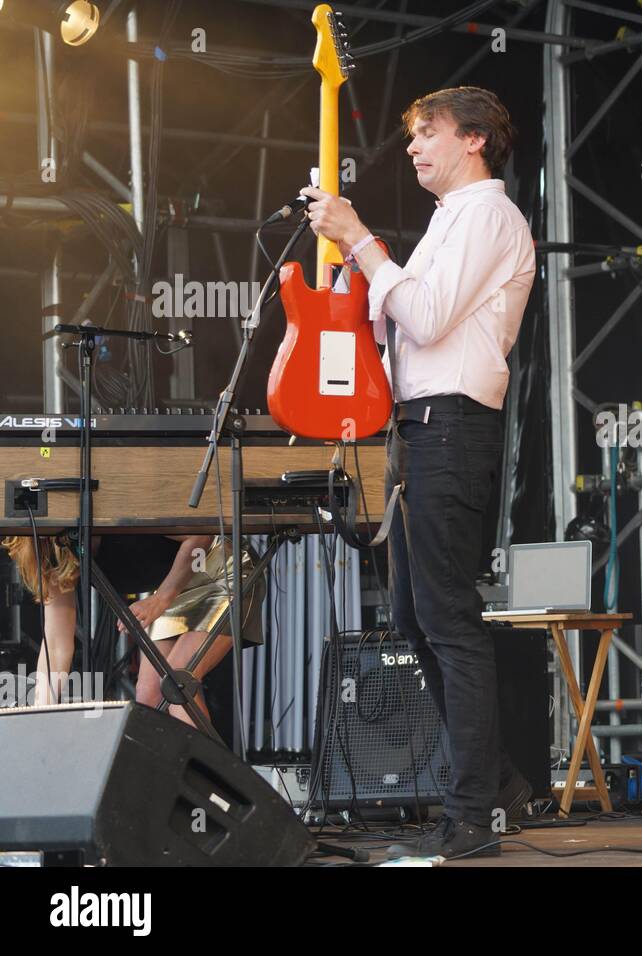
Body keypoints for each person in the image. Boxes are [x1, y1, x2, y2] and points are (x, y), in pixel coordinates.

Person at [291, 85, 536, 859]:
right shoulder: (447, 223)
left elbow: (426, 317)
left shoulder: (489, 215)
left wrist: (362, 238)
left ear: (473, 140)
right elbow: (398, 317)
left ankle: (472, 820)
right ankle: (494, 785)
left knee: (449, 622)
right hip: (417, 428)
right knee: (411, 619)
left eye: (426, 133)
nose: (412, 147)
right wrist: (353, 277)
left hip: (454, 425)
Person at [1, 533, 264, 727]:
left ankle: (213, 784)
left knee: (178, 684)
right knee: (149, 696)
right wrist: (37, 718)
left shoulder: (111, 505)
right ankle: (165, 783)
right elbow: (56, 647)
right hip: (172, 589)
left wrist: (160, 599)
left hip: (217, 568)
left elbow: (200, 533)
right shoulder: (48, 552)